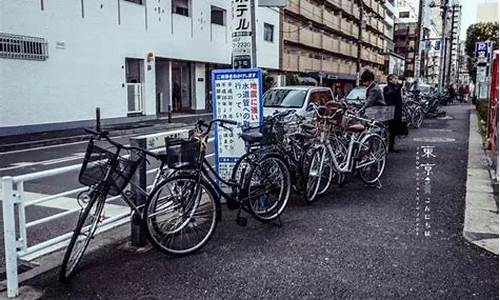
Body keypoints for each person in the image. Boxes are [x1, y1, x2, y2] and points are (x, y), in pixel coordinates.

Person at [383, 74, 403, 152]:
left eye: (397, 78)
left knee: (394, 130)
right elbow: (391, 93)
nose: (397, 80)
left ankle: (391, 145)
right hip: (391, 110)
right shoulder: (387, 88)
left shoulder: (396, 87)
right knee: (391, 129)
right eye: (395, 79)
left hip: (397, 110)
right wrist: (398, 87)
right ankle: (390, 146)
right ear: (390, 80)